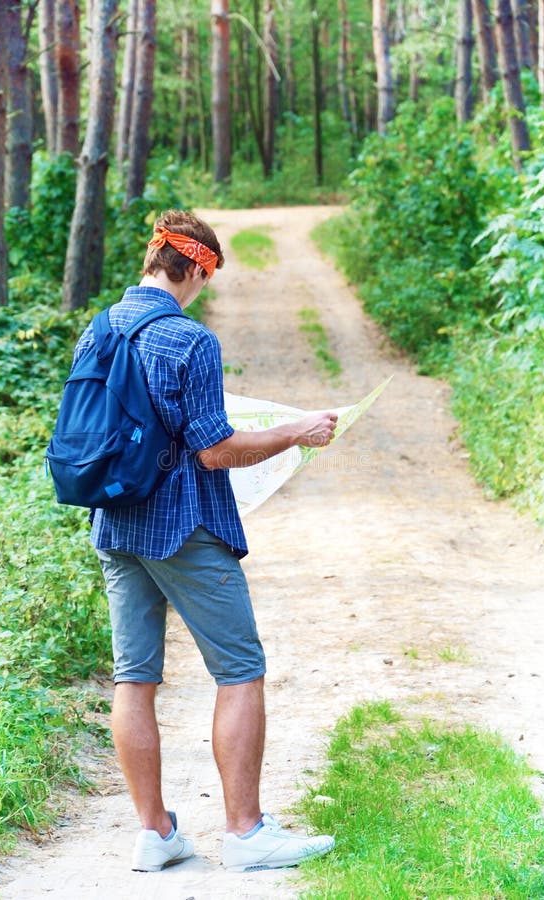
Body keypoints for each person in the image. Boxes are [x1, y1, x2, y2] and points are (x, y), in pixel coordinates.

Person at [72, 209, 338, 874]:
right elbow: (216, 452)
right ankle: (246, 834)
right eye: (207, 276)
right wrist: (297, 431)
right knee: (240, 669)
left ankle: (155, 833)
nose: (204, 289)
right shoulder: (190, 341)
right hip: (182, 528)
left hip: (115, 525)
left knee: (134, 677)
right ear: (192, 266)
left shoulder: (97, 329)